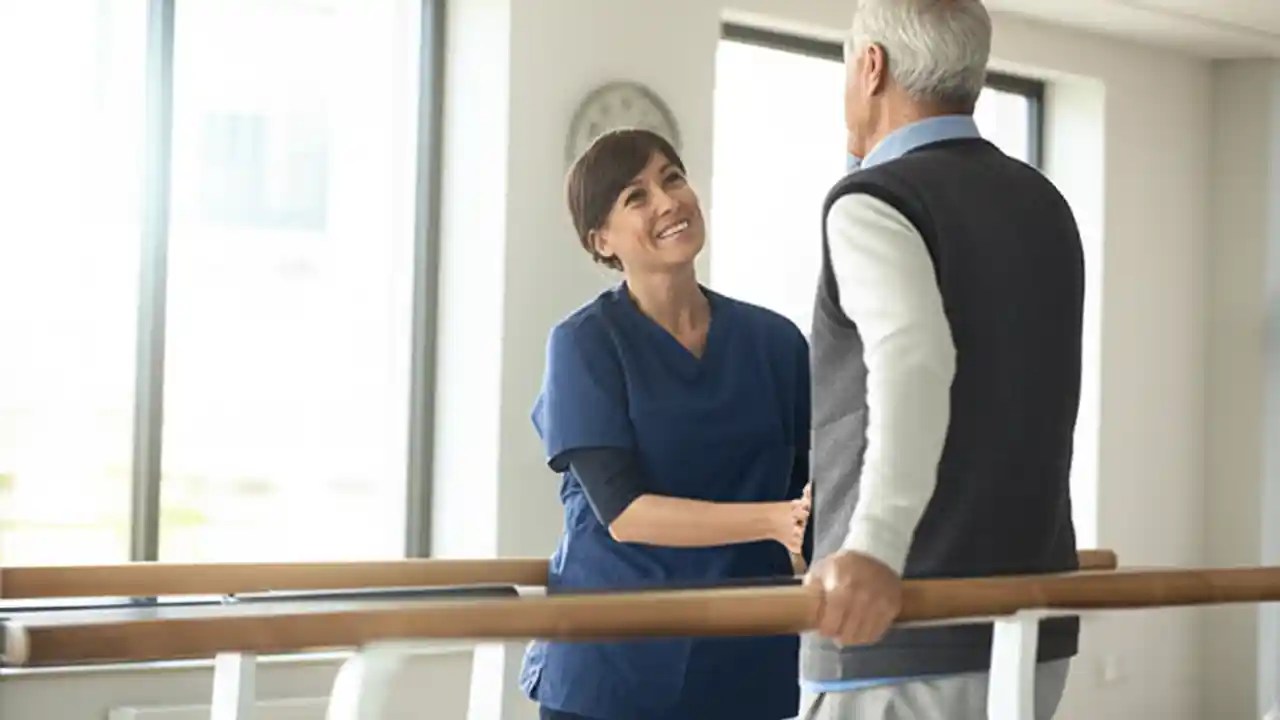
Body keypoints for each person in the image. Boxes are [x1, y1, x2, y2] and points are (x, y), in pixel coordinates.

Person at [800, 1, 1085, 718]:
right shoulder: (1042, 202)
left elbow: (913, 359)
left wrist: (874, 548)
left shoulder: (875, 204)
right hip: (1028, 627)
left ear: (872, 68)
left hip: (899, 634)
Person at [520, 128, 813, 720]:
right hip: (613, 670)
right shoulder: (585, 344)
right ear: (601, 240)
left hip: (745, 663)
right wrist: (773, 522)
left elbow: (812, 492)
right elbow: (625, 514)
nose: (668, 200)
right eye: (636, 196)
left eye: (672, 178)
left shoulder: (776, 343)